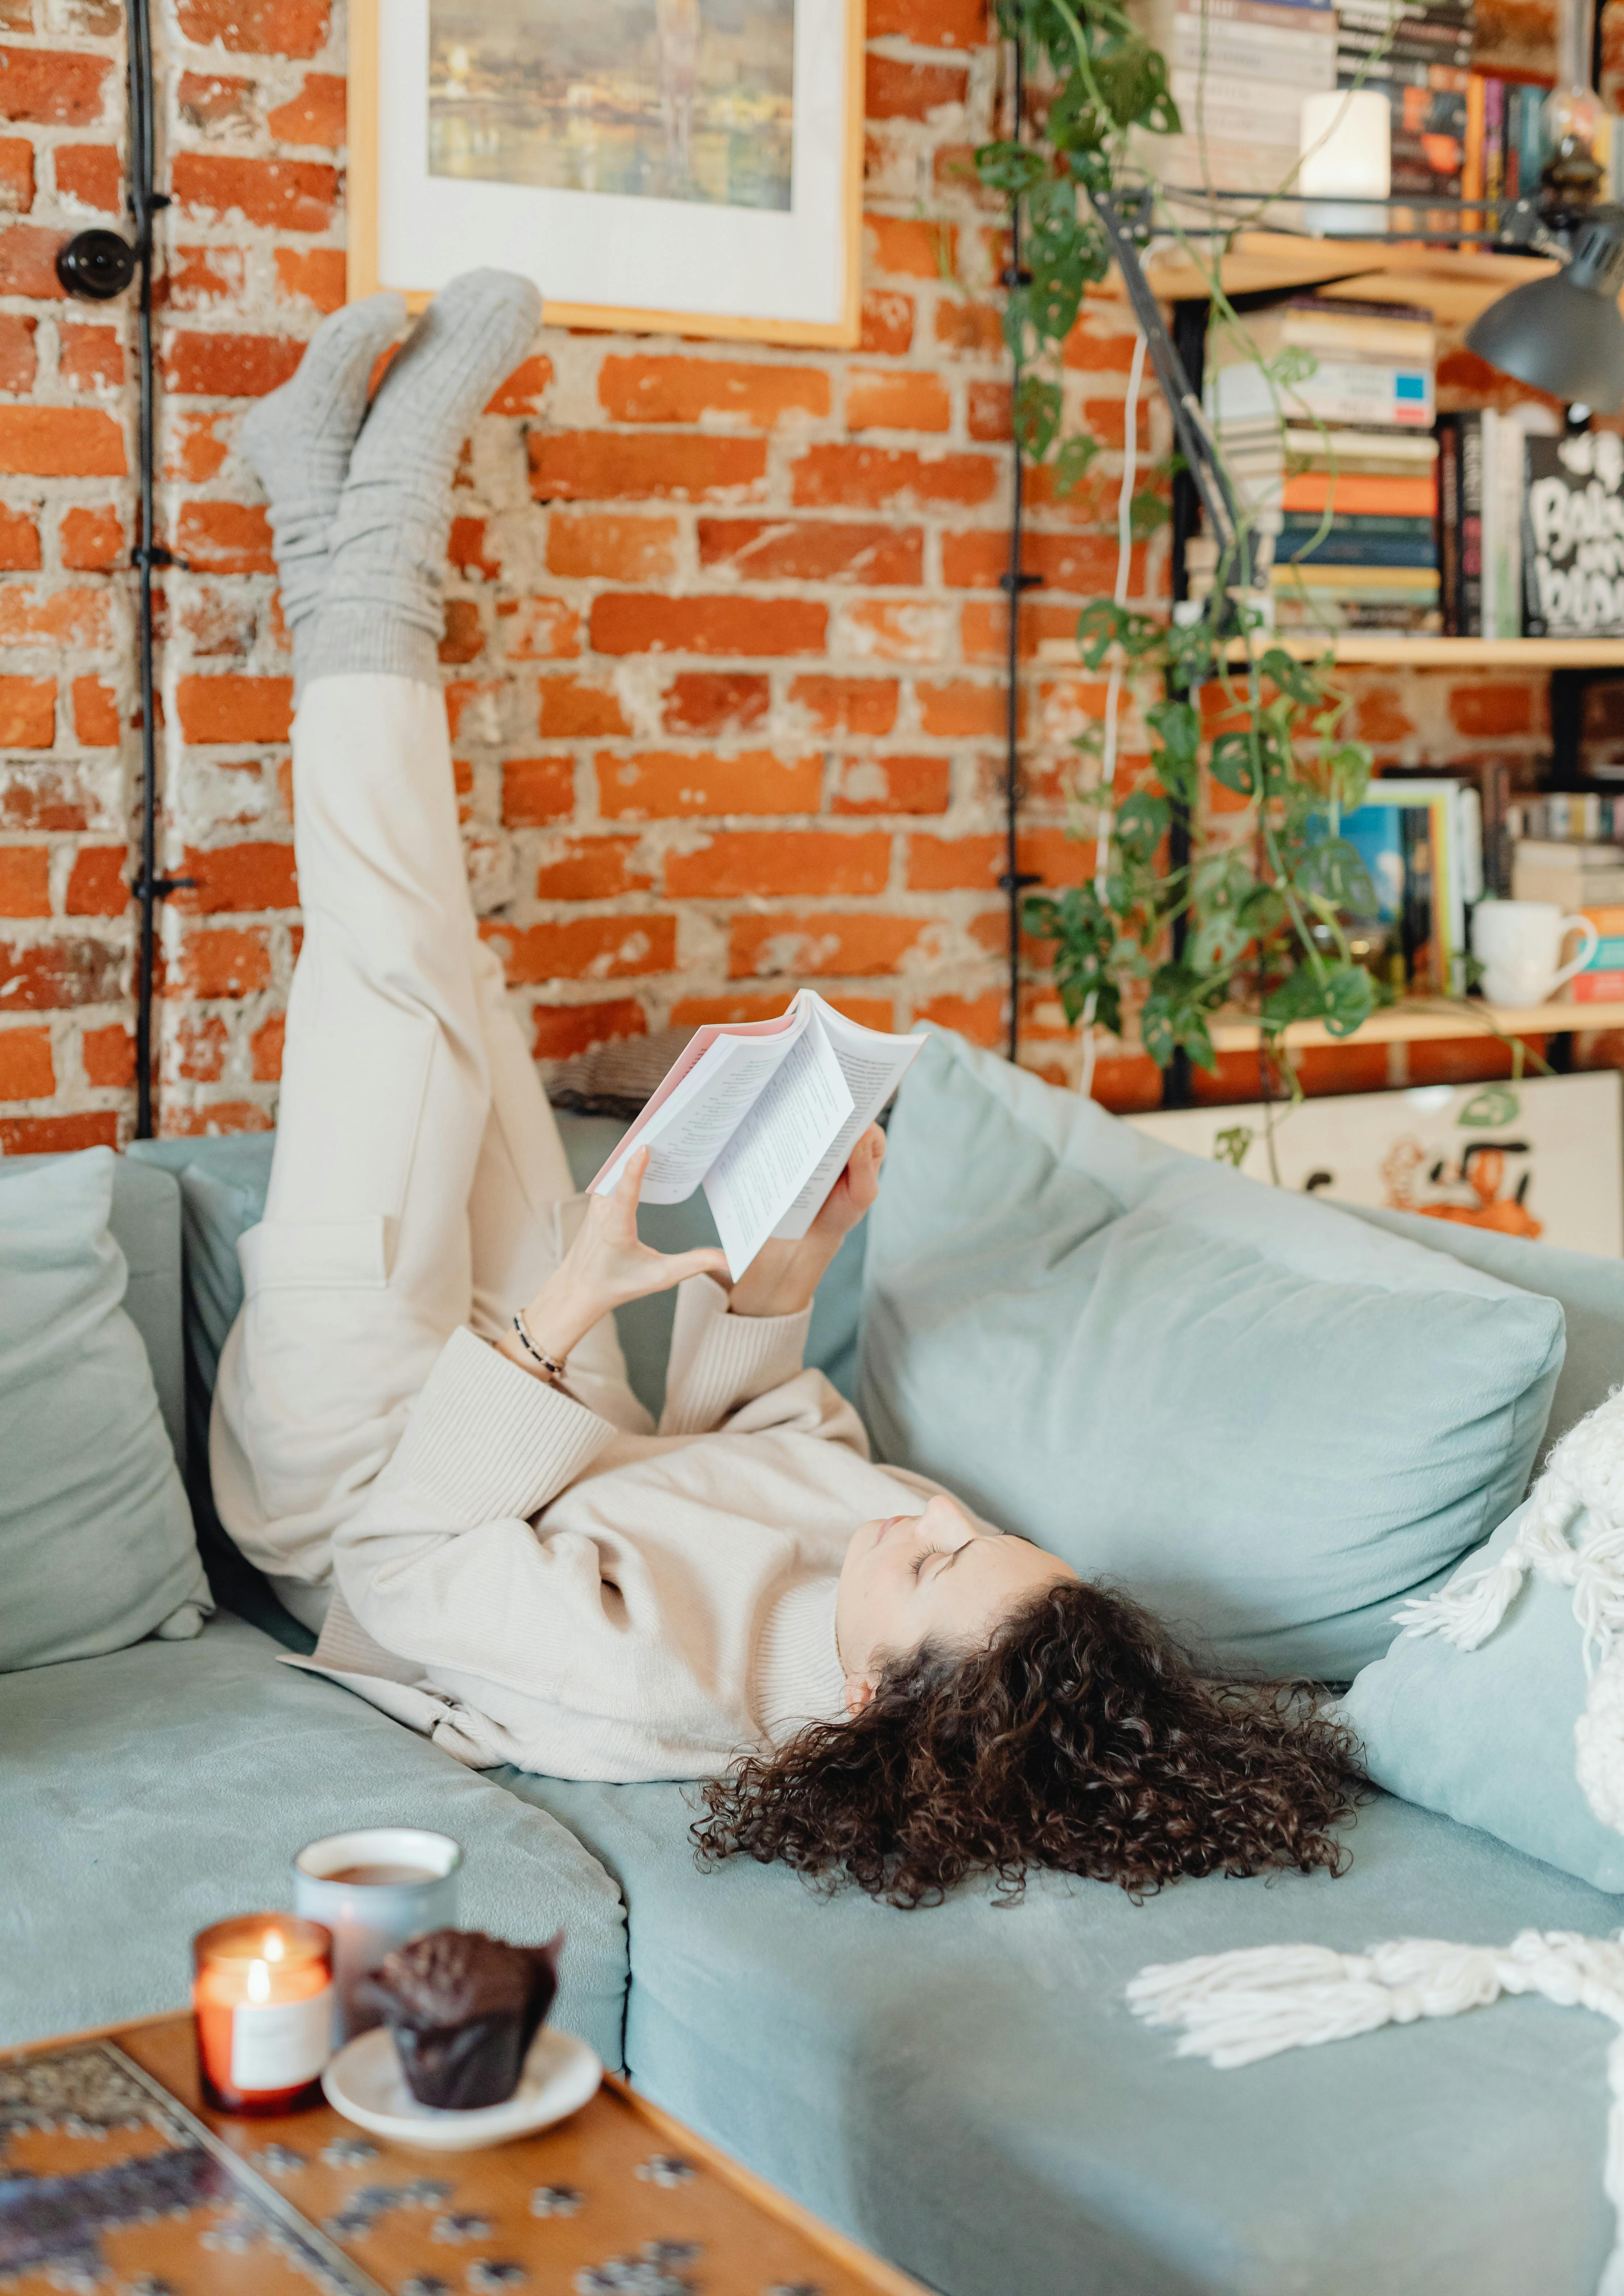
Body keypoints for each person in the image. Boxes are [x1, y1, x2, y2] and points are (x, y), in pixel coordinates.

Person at [219, 274, 1356, 1907]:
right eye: (974, 1529)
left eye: (940, 1563)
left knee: (393, 992)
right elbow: (751, 1429)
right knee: (460, 988)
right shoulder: (899, 1565)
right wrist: (782, 1278)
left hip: (363, 1481)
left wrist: (566, 1312)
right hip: (548, 1415)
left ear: (881, 1700)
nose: (928, 1518)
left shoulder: (665, 1685)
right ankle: (325, 519)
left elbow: (405, 1571)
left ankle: (367, 538)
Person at [655, 0, 701, 178]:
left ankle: (685, 145)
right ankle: (672, 148)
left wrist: (689, 43)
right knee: (669, 98)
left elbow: (694, 27)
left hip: (685, 53)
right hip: (671, 50)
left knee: (685, 100)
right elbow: (663, 25)